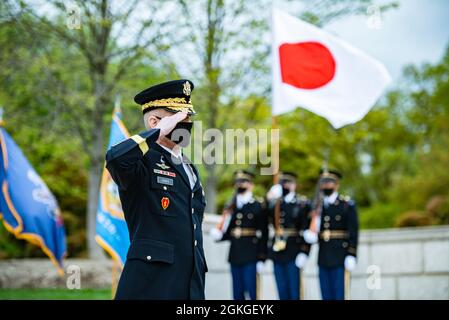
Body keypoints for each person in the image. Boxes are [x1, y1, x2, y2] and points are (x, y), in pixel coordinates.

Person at [106, 79, 207, 300]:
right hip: (152, 281)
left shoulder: (188, 166)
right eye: (179, 118)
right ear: (155, 121)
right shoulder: (141, 161)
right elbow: (114, 159)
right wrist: (157, 133)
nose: (187, 123)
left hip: (189, 280)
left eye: (189, 117)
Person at [210, 170, 268, 300]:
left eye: (244, 182)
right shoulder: (232, 206)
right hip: (235, 255)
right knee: (237, 293)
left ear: (251, 185)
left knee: (252, 292)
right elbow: (229, 231)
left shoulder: (258, 205)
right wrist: (219, 235)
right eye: (238, 182)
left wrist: (262, 257)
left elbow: (264, 232)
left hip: (251, 255)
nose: (240, 184)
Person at [303, 169, 359, 300]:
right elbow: (311, 231)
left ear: (337, 184)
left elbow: (353, 231)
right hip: (323, 257)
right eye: (324, 183)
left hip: (340, 255)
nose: (326, 186)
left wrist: (352, 253)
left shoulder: (346, 205)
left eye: (330, 183)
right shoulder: (318, 206)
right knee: (325, 294)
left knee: (339, 294)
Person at [266, 172, 311, 300]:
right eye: (282, 183)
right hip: (277, 251)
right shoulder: (275, 203)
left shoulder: (302, 203)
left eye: (287, 183)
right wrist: (269, 198)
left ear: (294, 185)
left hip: (294, 251)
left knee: (294, 291)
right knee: (281, 289)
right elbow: (264, 217)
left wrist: (304, 251)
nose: (284, 186)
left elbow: (307, 230)